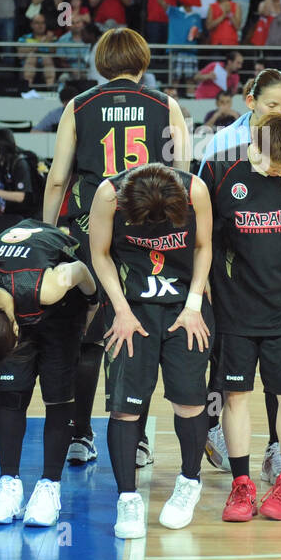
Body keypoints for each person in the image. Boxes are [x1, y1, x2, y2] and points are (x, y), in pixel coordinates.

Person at [43, 28, 191, 468]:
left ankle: (80, 435)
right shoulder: (166, 104)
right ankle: (138, 439)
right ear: (142, 61)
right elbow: (182, 173)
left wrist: (47, 234)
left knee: (89, 336)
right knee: (139, 328)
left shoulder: (78, 105)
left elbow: (57, 178)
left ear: (101, 62)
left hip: (91, 226)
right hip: (148, 228)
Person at [199, 113, 281, 522]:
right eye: (275, 165)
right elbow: (200, 231)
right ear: (255, 144)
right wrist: (200, 282)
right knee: (236, 395)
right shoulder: (219, 168)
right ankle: (241, 485)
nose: (280, 172)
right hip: (233, 301)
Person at [88, 163, 214, 537]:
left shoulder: (196, 190)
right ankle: (127, 498)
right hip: (130, 307)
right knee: (124, 408)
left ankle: (189, 481)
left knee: (189, 401)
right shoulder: (108, 195)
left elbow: (204, 246)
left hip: (183, 307)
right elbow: (100, 254)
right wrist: (120, 310)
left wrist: (194, 304)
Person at [0, 219, 97, 527]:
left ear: (16, 328)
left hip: (62, 307)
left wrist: (93, 303)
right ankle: (9, 485)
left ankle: (50, 486)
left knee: (57, 395)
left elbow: (82, 271)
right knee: (10, 393)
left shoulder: (48, 287)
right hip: (18, 291)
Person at [197, 68, 281, 474]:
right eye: (272, 105)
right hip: (230, 277)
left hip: (275, 279)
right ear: (251, 102)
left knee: (278, 374)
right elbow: (201, 209)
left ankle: (276, 445)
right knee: (223, 363)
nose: (279, 112)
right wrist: (203, 275)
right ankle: (211, 427)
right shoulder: (223, 145)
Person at [0, 128, 39, 238]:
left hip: (26, 216)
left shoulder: (20, 163)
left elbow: (21, 197)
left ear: (2, 142)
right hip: (9, 212)